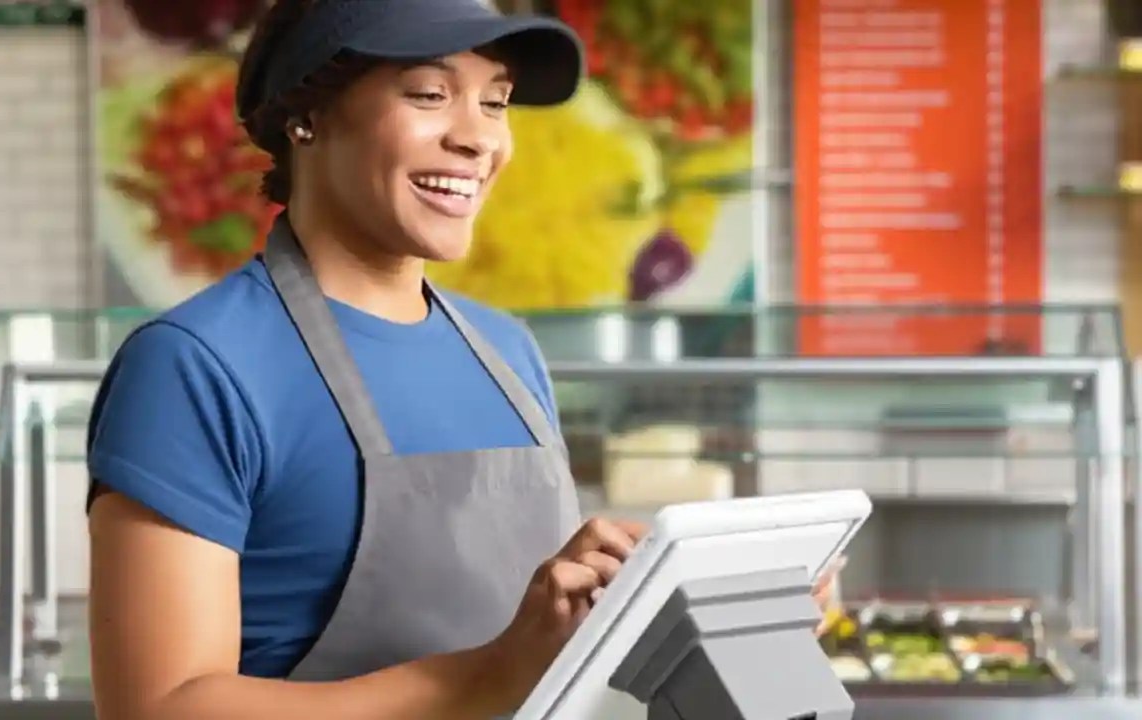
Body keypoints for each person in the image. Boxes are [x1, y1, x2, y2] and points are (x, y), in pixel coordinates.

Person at [86, 2, 840, 719]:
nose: (478, 138)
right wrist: (487, 675)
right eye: (429, 94)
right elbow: (157, 706)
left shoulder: (505, 351)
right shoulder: (196, 366)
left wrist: (703, 614)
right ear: (306, 115)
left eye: (495, 102)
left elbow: (541, 651)